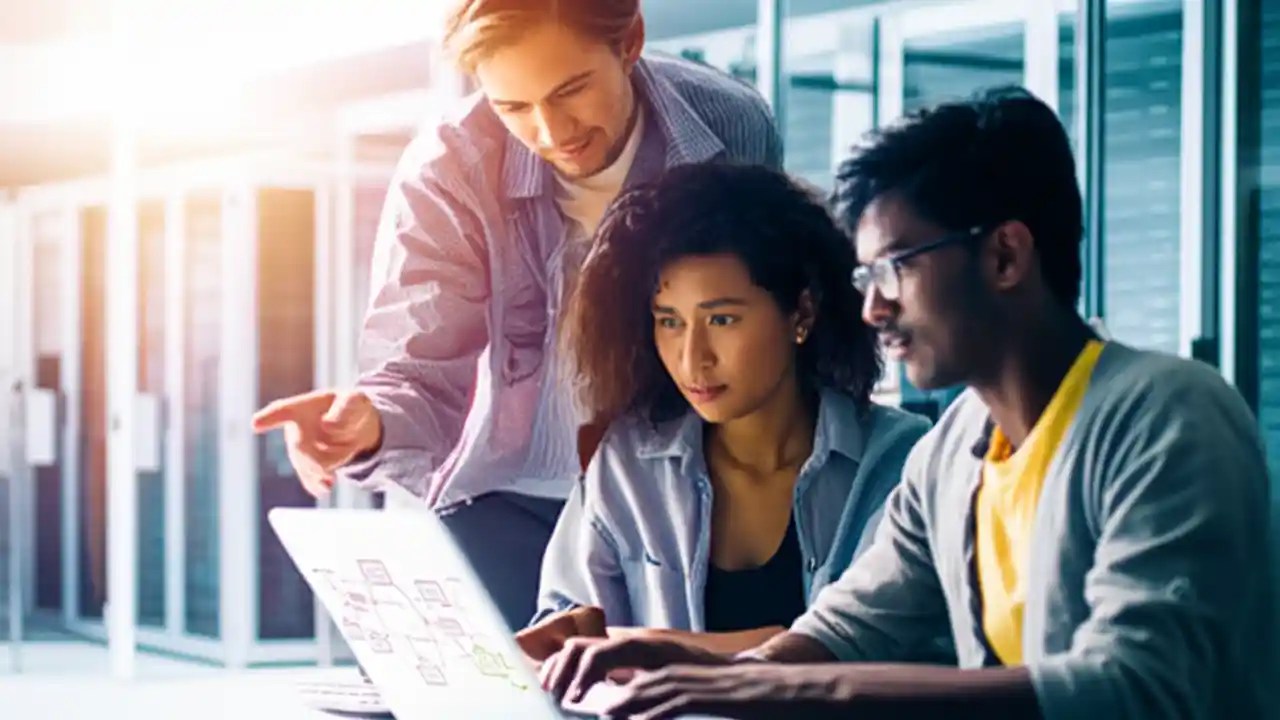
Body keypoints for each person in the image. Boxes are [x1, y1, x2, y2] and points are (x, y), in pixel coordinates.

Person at [539, 87, 1278, 719]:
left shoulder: (1165, 414)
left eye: (895, 269)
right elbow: (850, 627)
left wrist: (777, 686)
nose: (873, 311)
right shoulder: (957, 446)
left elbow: (1134, 686)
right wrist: (697, 666)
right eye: (866, 280)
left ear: (1006, 256)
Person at [250, 0, 781, 631]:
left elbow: (754, 315)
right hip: (506, 501)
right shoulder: (450, 167)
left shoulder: (731, 125)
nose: (553, 132)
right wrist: (367, 422)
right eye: (514, 108)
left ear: (631, 41)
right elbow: (419, 371)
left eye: (572, 90)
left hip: (680, 495)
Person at [512, 164, 929, 662]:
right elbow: (559, 639)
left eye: (722, 319)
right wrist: (571, 629)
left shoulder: (900, 461)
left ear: (802, 312)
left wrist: (639, 647)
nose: (693, 358)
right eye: (670, 322)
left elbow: (858, 650)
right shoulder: (628, 461)